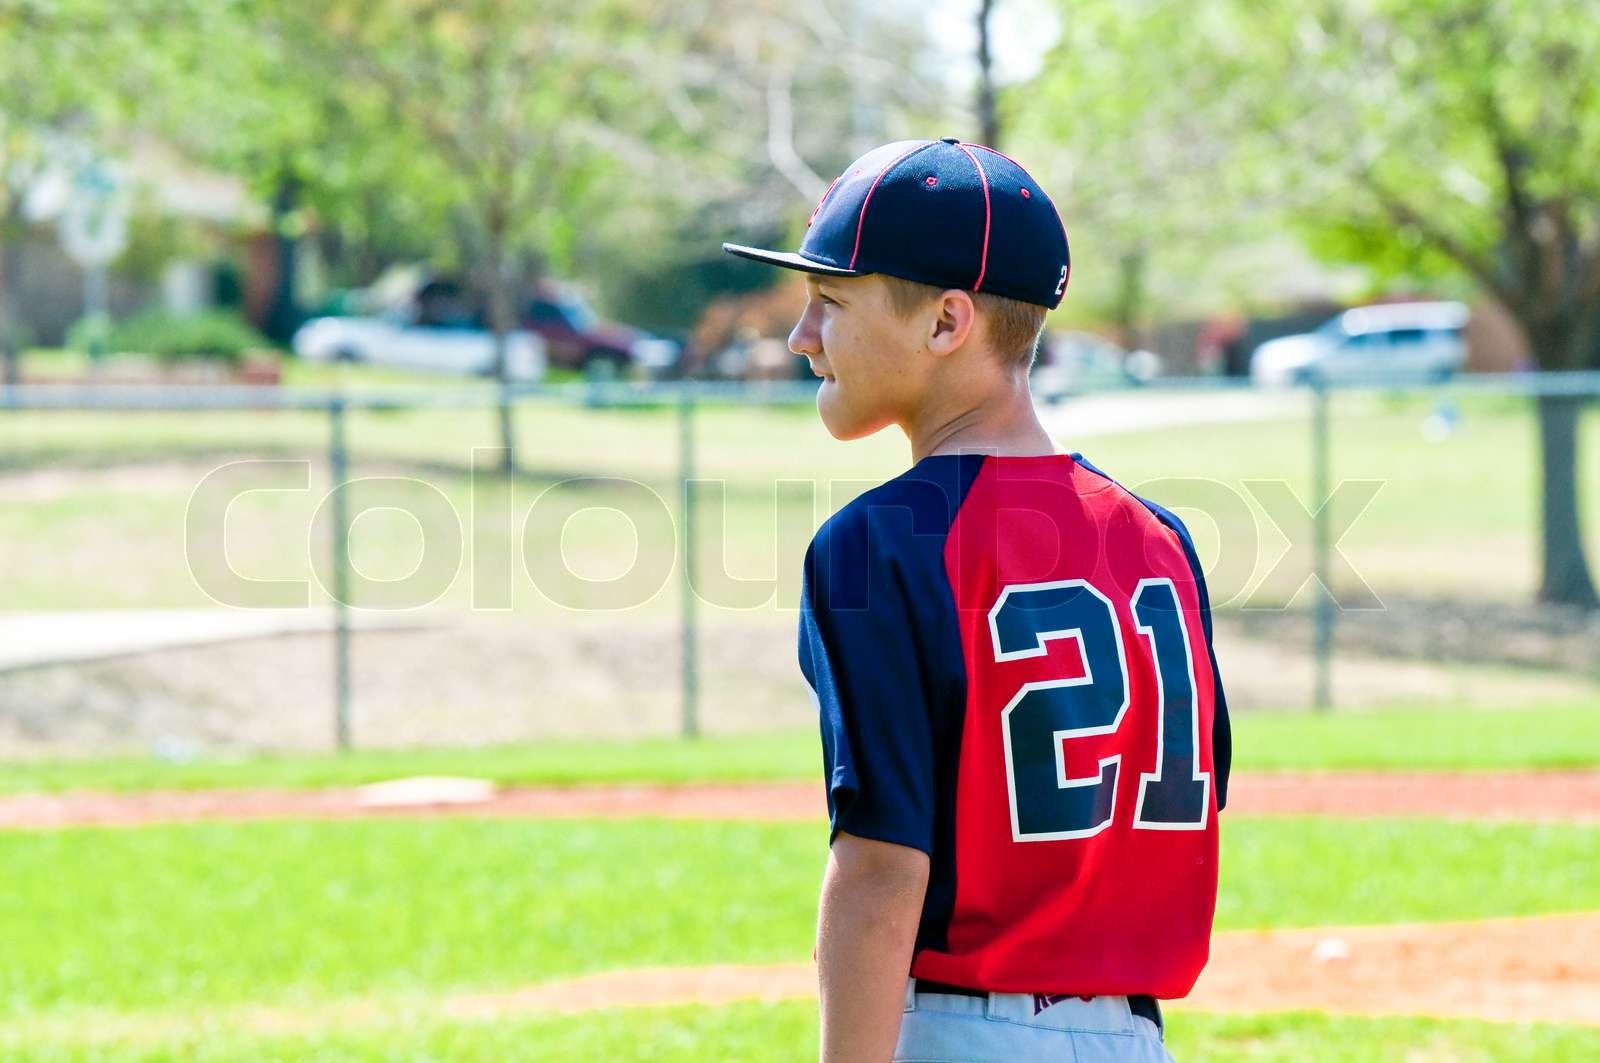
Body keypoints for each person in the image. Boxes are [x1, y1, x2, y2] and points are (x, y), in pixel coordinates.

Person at [722, 138, 1231, 1062]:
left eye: (831, 300)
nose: (801, 335)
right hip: (1132, 1037)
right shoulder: (1159, 539)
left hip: (967, 1029)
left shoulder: (879, 544)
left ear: (947, 322)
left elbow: (881, 872)